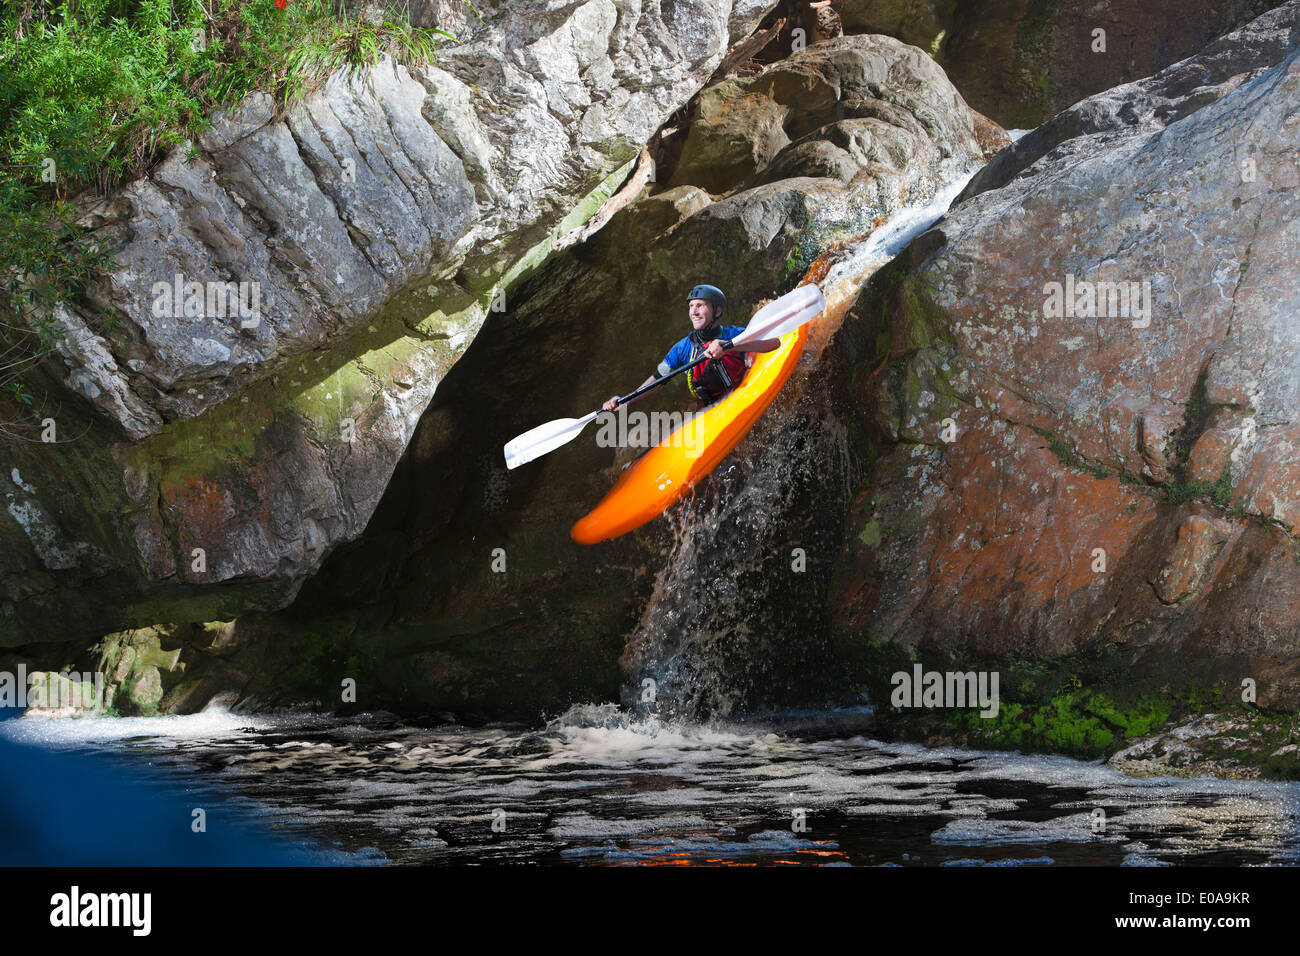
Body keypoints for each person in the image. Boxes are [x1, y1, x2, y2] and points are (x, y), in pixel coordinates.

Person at [602, 284, 781, 412]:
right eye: (691, 306)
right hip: (712, 405)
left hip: (743, 388)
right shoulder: (681, 349)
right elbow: (658, 379)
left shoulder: (734, 334)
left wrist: (730, 347)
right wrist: (625, 401)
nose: (693, 312)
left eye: (700, 305)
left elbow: (774, 343)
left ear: (717, 311)